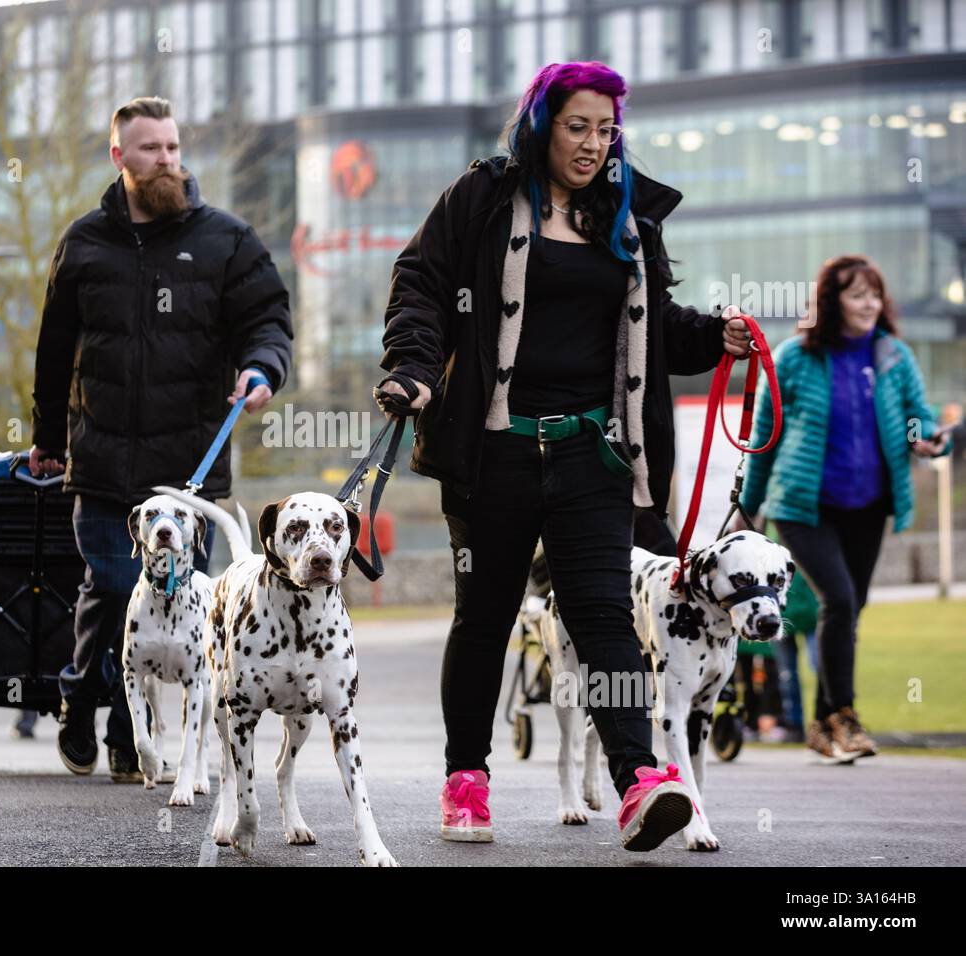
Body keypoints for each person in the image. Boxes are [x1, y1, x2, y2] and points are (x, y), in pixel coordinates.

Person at [376, 61, 751, 850]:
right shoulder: (480, 198)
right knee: (483, 618)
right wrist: (412, 367)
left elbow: (654, 327)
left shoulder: (625, 216)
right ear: (543, 122)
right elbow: (421, 283)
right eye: (577, 126)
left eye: (606, 129)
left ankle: (639, 781)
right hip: (495, 454)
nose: (592, 144)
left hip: (596, 454)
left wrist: (712, 335)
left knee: (605, 617)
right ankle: (466, 780)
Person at [27, 96, 292, 782]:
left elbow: (267, 318)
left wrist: (263, 368)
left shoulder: (226, 241)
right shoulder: (83, 243)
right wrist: (47, 436)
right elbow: (54, 351)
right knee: (116, 587)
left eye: (173, 147)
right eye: (151, 149)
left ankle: (126, 732)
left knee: (178, 607)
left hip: (190, 472)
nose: (167, 159)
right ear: (119, 157)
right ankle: (81, 695)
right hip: (103, 458)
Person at [739, 254, 953, 761]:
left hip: (868, 504)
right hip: (802, 505)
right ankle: (847, 718)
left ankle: (820, 725)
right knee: (838, 599)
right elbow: (763, 438)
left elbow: (917, 419)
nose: (870, 303)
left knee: (849, 609)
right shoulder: (793, 359)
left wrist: (929, 441)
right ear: (832, 302)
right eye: (858, 295)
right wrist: (748, 515)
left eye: (875, 294)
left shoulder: (892, 355)